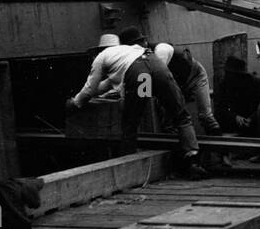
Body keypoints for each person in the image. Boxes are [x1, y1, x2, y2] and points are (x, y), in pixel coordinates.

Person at [67, 26, 206, 177]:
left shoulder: (102, 57)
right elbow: (104, 86)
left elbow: (89, 89)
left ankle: (127, 166)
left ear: (97, 52)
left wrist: (75, 103)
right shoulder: (128, 51)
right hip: (158, 68)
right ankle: (193, 161)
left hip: (141, 76)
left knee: (131, 122)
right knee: (181, 116)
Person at [153, 42, 222, 134]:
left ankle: (217, 142)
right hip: (176, 81)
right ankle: (174, 141)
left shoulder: (161, 50)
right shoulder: (143, 57)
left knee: (206, 116)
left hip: (196, 77)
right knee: (168, 121)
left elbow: (159, 76)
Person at [215, 55, 260, 134]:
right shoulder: (224, 84)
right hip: (233, 127)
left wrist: (251, 119)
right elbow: (220, 109)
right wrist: (235, 117)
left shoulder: (255, 83)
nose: (228, 76)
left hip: (254, 126)